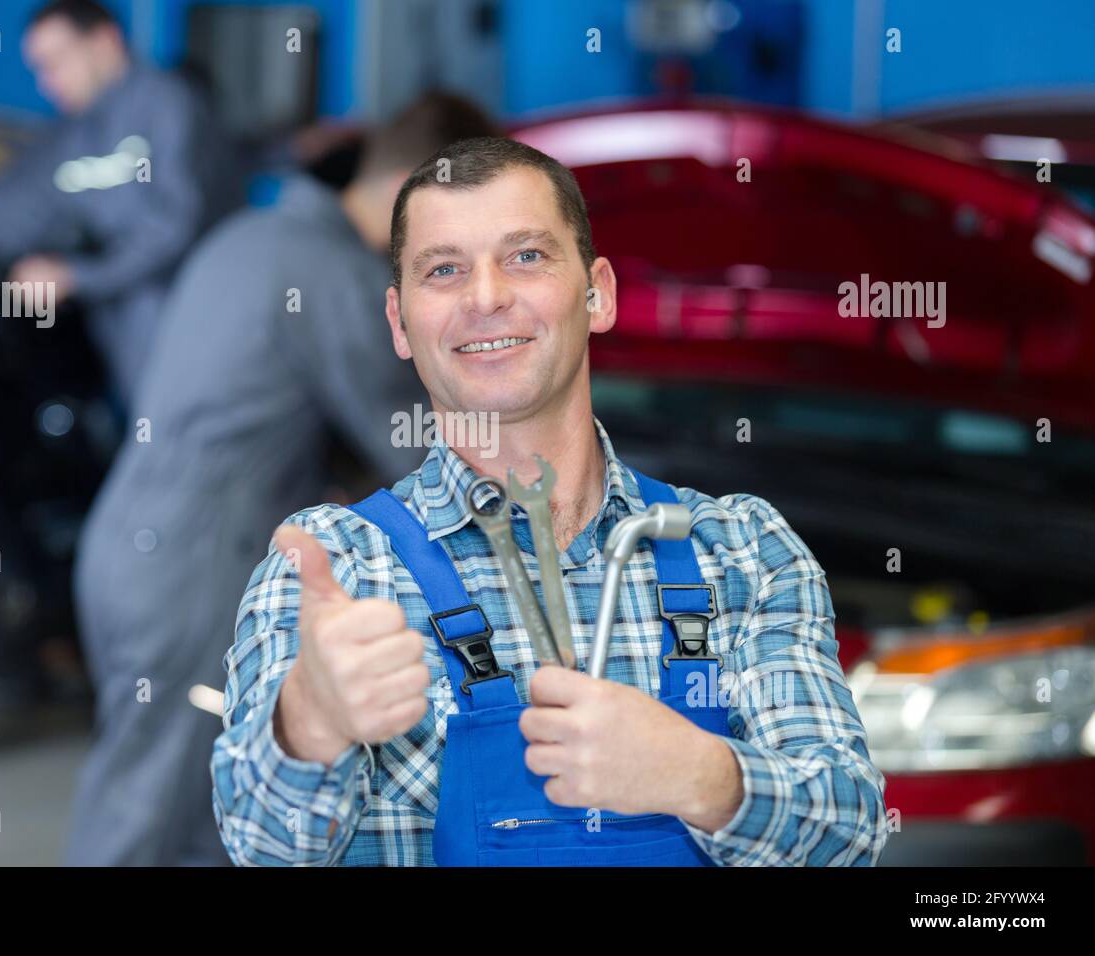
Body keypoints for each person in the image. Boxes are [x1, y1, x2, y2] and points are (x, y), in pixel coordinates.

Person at [213, 137, 890, 866]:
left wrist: (700, 776)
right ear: (399, 323)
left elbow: (850, 830)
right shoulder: (336, 569)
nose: (485, 297)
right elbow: (261, 846)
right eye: (443, 270)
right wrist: (312, 718)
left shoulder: (743, 550)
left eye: (525, 256)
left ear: (598, 293)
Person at [66, 93, 500, 866]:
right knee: (142, 825)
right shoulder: (329, 271)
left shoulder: (250, 235)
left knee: (200, 813)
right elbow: (415, 443)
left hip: (128, 543)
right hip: (192, 570)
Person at [0, 0, 228, 406]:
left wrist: (75, 276)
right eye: (39, 68)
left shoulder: (169, 104)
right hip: (122, 348)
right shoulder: (73, 133)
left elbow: (175, 225)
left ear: (105, 42)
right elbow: (22, 203)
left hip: (193, 329)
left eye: (57, 61)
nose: (47, 82)